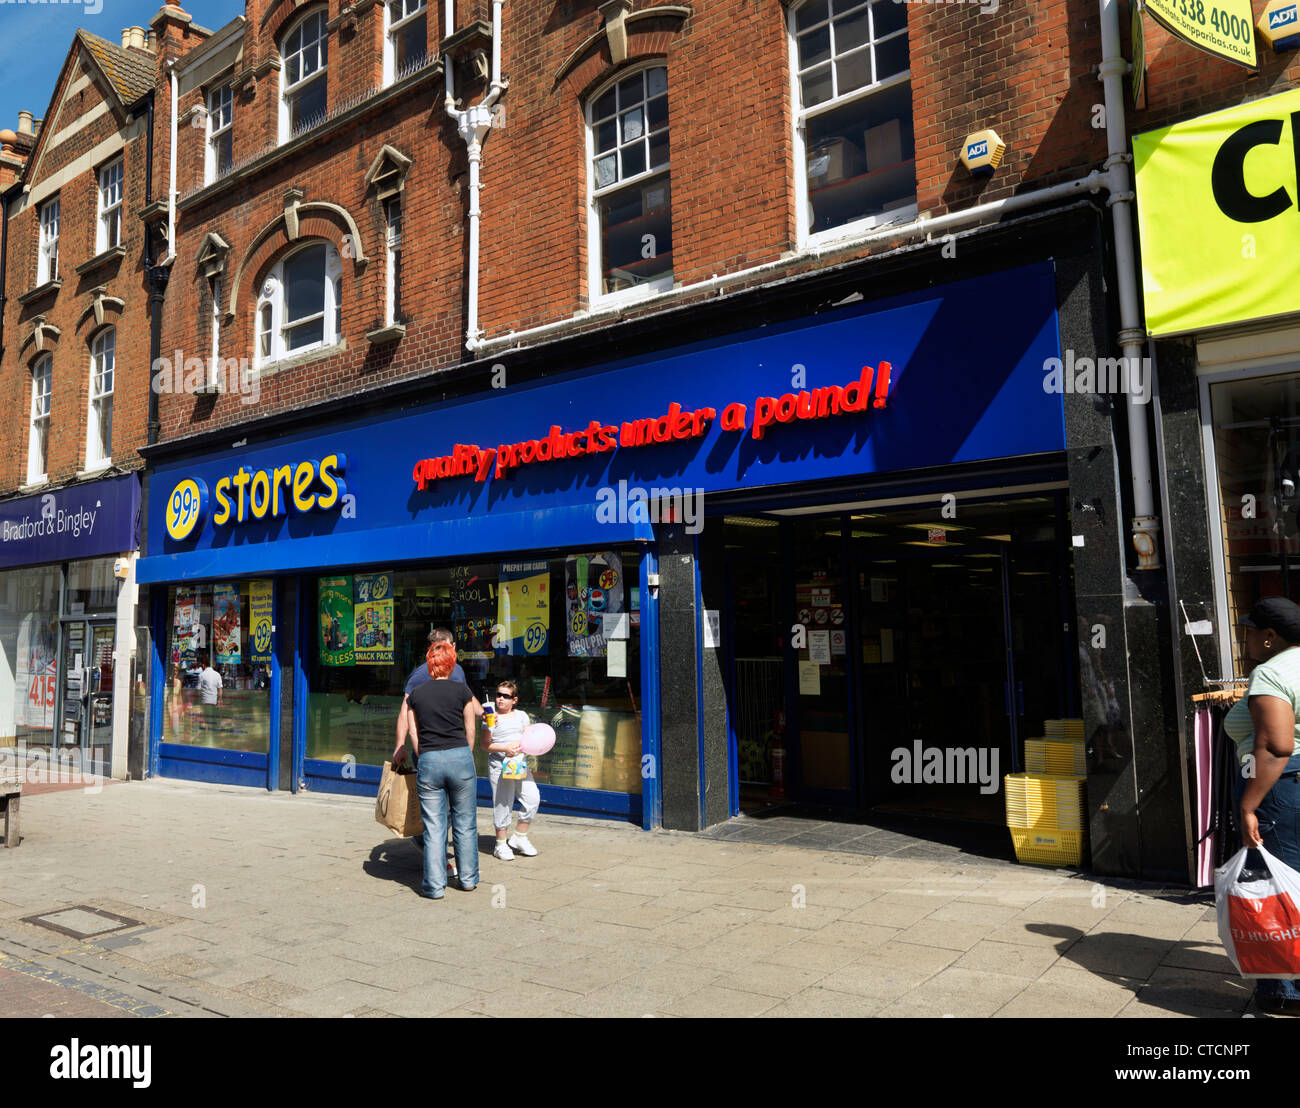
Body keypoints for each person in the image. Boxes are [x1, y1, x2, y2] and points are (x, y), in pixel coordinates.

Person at [1223, 596, 1300, 1015]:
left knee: (1280, 888)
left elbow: (1276, 745)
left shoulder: (1273, 673)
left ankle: (1288, 992)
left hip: (1282, 789)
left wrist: (1250, 804)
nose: (1246, 638)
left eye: (1251, 630)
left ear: (1270, 637)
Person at [392, 629, 483, 876]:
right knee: (448, 817)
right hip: (439, 752)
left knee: (443, 816)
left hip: (430, 753)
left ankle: (434, 878)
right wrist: (402, 746)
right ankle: (450, 865)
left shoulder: (458, 671)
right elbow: (406, 713)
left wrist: (487, 712)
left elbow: (467, 699)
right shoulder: (420, 675)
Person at [484, 680, 539, 860]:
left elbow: (529, 736)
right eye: (498, 695)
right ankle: (500, 845)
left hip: (518, 762)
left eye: (505, 696)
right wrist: (505, 749)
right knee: (503, 803)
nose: (500, 699)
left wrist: (522, 746)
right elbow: (485, 745)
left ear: (514, 700)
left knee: (532, 798)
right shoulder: (490, 717)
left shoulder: (521, 715)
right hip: (499, 764)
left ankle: (519, 837)